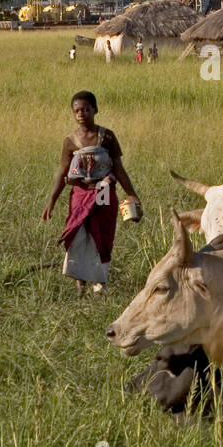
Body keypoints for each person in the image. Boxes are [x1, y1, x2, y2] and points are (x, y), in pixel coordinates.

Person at [42, 90, 141, 298]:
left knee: (101, 237)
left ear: (95, 110)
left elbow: (119, 168)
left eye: (86, 109)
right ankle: (81, 285)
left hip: (104, 193)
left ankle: (99, 283)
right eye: (76, 110)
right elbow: (62, 171)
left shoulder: (106, 136)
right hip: (80, 194)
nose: (81, 114)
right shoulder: (70, 141)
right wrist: (52, 200)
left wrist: (131, 194)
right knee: (78, 237)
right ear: (72, 114)